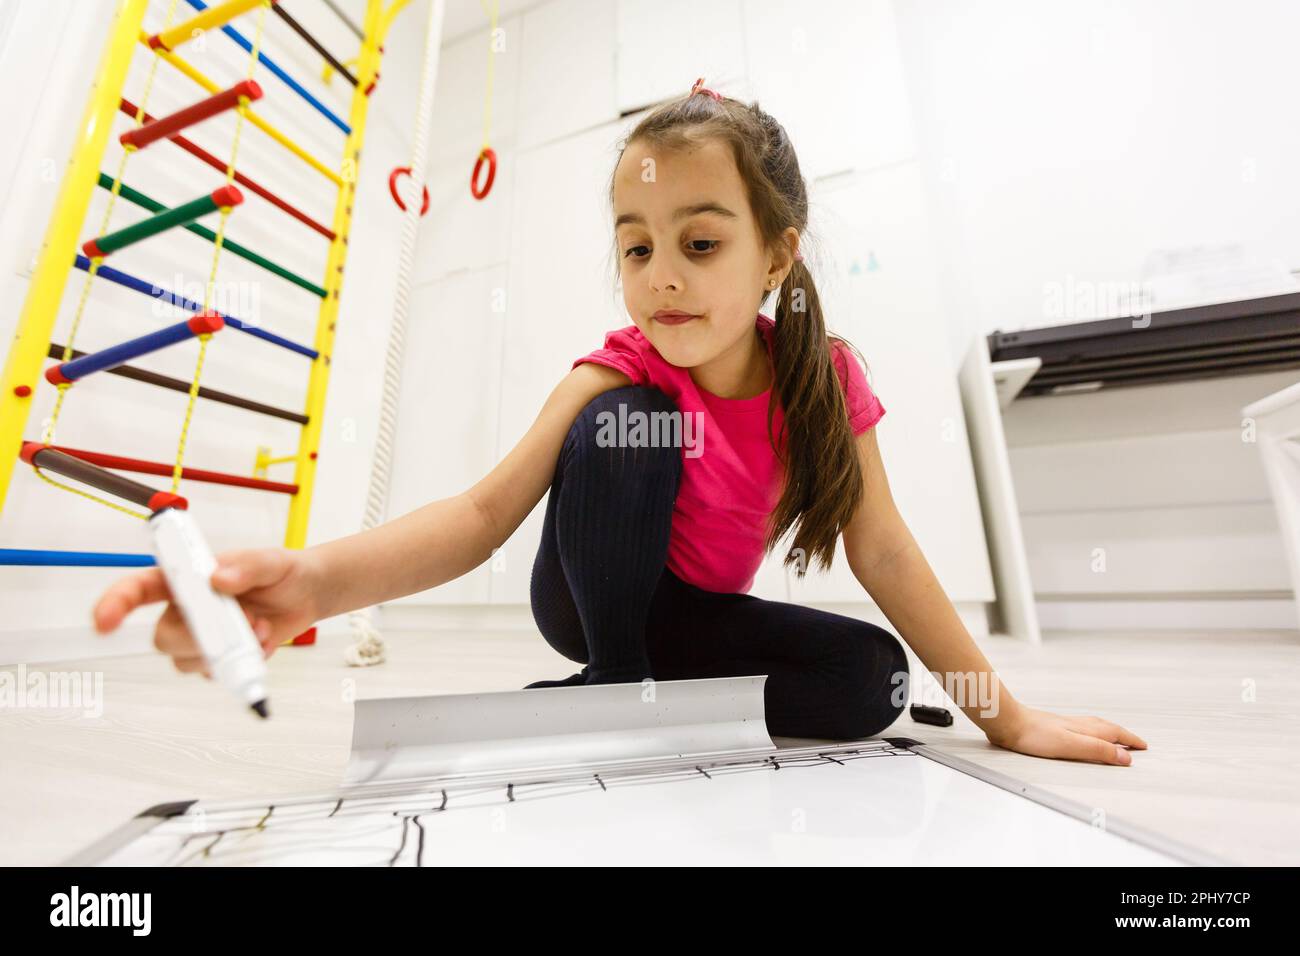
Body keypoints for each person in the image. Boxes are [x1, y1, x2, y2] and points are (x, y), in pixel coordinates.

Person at [93, 78, 1146, 763]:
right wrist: (313, 582)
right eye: (636, 247)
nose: (661, 278)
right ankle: (610, 678)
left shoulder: (821, 376)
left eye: (700, 243)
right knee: (627, 423)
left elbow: (883, 544)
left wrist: (1004, 715)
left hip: (691, 620)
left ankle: (628, 694)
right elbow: (477, 514)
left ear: (775, 255)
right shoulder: (620, 370)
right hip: (593, 598)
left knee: (873, 677)